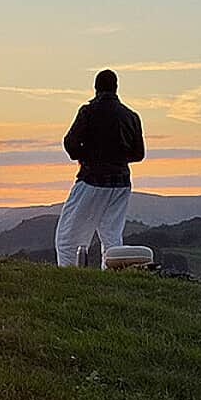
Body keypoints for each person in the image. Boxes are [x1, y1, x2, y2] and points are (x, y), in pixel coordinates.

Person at [54, 69, 145, 267]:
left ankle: (69, 276)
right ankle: (113, 274)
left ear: (96, 88)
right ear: (116, 88)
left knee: (68, 237)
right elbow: (139, 154)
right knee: (112, 235)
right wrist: (118, 157)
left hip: (92, 179)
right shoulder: (131, 116)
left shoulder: (88, 111)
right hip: (121, 183)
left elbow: (70, 143)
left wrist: (85, 156)